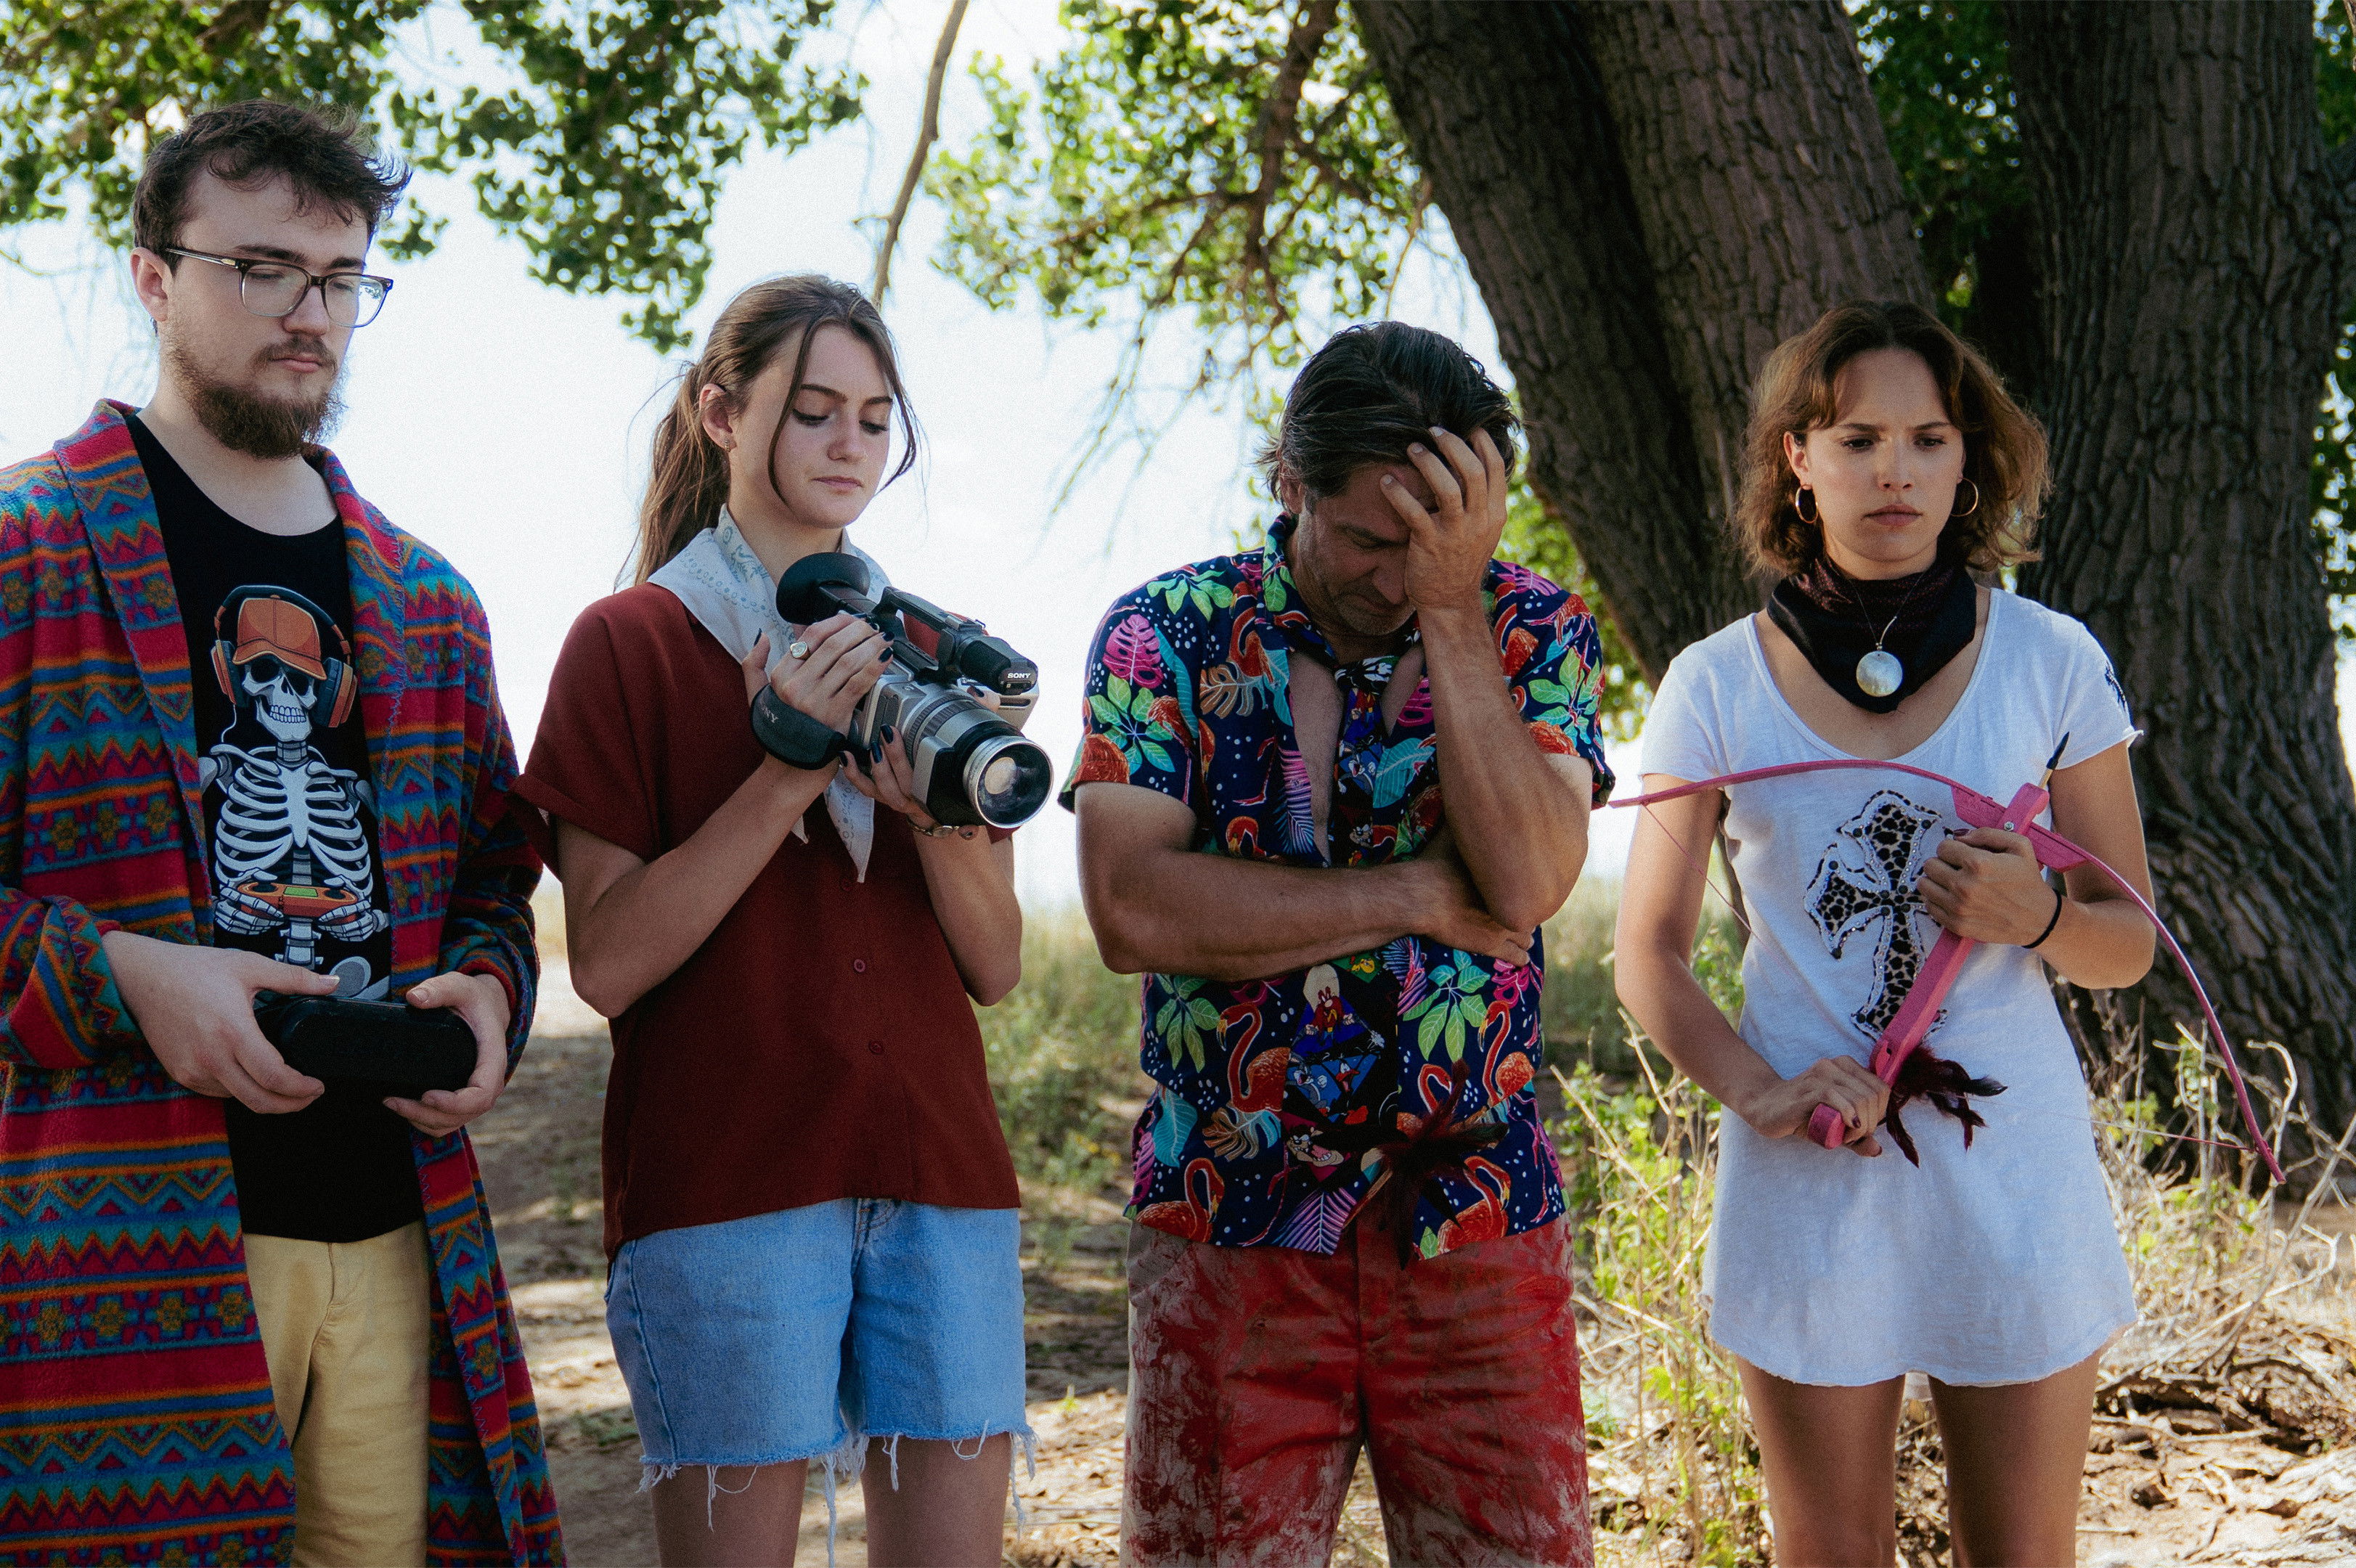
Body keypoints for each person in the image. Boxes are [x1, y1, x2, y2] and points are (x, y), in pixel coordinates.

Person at [0, 100, 561, 1566]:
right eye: (261, 270)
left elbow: (491, 883)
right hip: (99, 1247)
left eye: (340, 281)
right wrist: (125, 977)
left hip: (395, 1239)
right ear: (152, 274)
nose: (308, 314)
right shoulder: (7, 548)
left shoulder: (427, 602)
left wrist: (489, 992)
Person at [1614, 300, 2151, 1568]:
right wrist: (1761, 1089)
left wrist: (2042, 914)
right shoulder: (1714, 682)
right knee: (1826, 1552)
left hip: (2012, 1174)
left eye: (1926, 437)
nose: (1892, 470)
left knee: (2023, 1555)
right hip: (1810, 1169)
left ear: (1968, 460)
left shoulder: (2051, 662)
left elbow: (2130, 940)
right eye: (1856, 438)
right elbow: (1647, 951)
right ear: (1798, 459)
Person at [1069, 321, 1609, 1567]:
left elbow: (1526, 880)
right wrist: (1420, 894)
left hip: (1477, 1221)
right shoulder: (1167, 631)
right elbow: (1134, 911)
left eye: (1439, 543)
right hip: (1231, 1215)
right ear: (1288, 482)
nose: (1394, 577)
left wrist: (1454, 608)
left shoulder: (1532, 629)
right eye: (1371, 538)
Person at [511, 274, 1028, 1567]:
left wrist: (930, 811)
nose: (849, 443)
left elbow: (999, 963)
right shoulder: (629, 644)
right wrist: (787, 766)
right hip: (730, 1180)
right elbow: (612, 966)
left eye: (873, 418)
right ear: (720, 413)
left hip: (939, 1175)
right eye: (813, 412)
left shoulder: (933, 663)